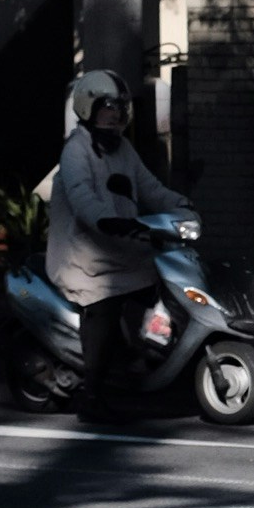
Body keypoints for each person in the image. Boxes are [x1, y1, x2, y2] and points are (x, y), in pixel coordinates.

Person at [48, 69, 192, 410]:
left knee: (159, 283)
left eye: (120, 106)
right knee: (105, 301)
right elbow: (83, 198)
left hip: (119, 247)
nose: (115, 113)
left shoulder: (123, 148)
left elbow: (149, 187)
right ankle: (93, 394)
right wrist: (106, 220)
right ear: (89, 107)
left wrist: (181, 204)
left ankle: (142, 360)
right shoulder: (76, 151)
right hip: (82, 254)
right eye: (107, 105)